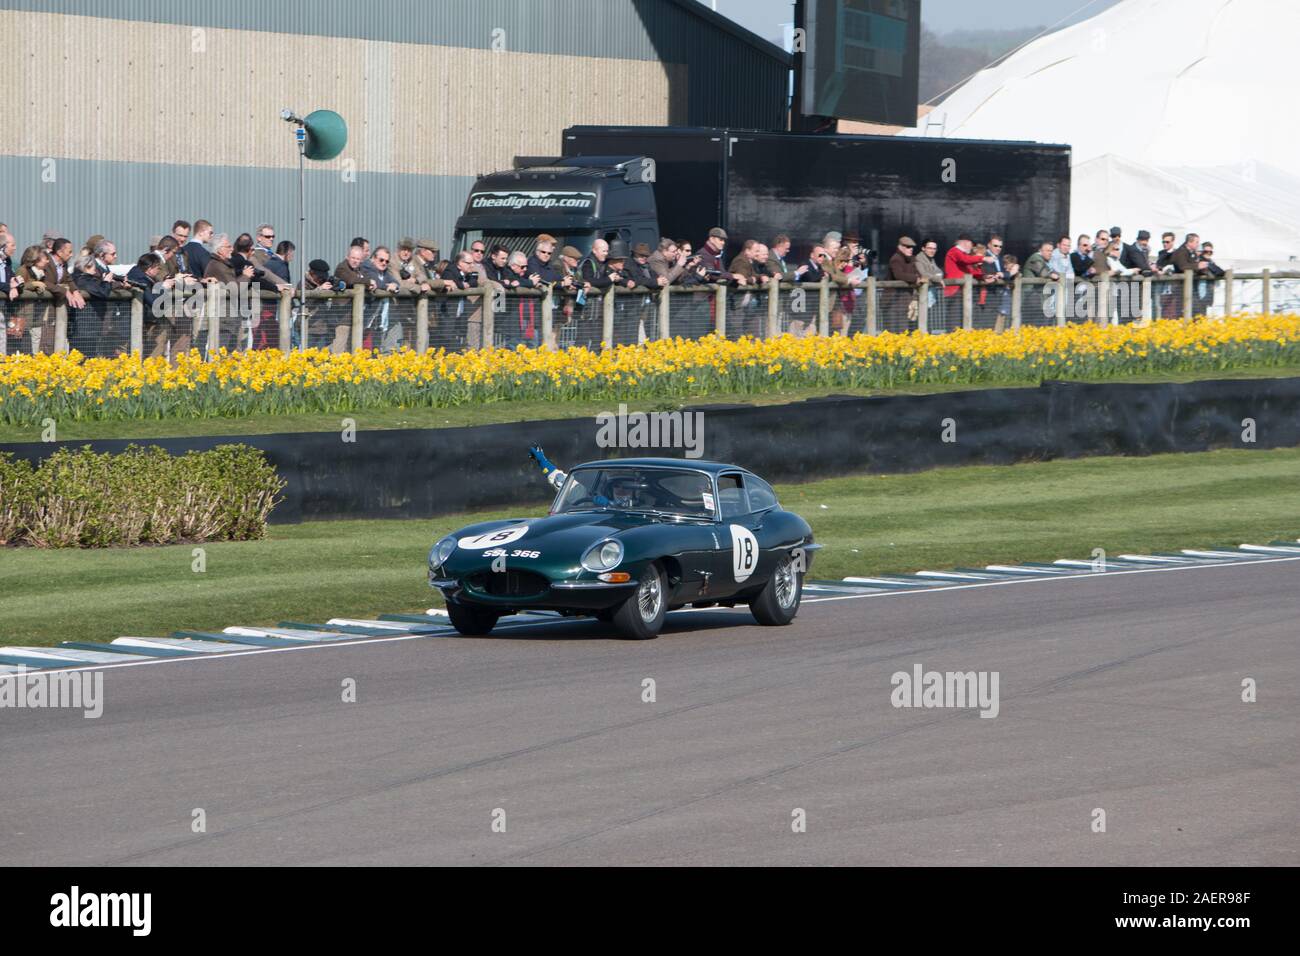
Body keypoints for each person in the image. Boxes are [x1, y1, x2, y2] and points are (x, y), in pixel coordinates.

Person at [527, 445, 637, 507]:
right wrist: (543, 462)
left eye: (626, 486)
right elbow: (561, 481)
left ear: (635, 487)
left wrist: (610, 506)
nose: (621, 489)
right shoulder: (594, 500)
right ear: (610, 487)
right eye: (617, 485)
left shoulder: (648, 501)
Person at [883, 236, 920, 333]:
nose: (911, 249)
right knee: (892, 334)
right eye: (908, 247)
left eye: (912, 247)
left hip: (904, 302)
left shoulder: (912, 259)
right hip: (892, 303)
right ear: (900, 247)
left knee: (904, 332)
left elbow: (918, 272)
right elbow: (899, 275)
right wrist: (916, 278)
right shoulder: (896, 259)